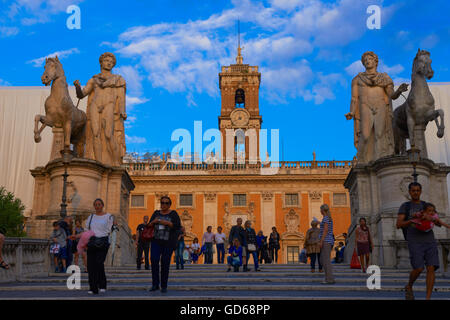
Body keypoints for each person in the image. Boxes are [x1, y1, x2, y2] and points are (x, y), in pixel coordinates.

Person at [345, 51, 408, 163]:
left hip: (380, 105)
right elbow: (354, 98)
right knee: (365, 135)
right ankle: (364, 161)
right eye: (365, 61)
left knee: (380, 134)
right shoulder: (357, 79)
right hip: (365, 106)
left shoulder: (384, 78)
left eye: (369, 59)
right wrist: (352, 112)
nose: (367, 61)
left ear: (375, 61)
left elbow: (391, 95)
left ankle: (379, 163)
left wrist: (399, 91)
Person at [397, 183, 449, 300]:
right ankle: (409, 285)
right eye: (413, 190)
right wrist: (412, 221)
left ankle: (428, 298)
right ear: (409, 192)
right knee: (419, 268)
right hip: (414, 240)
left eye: (418, 190)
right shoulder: (405, 206)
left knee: (431, 268)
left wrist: (434, 221)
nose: (416, 192)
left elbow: (437, 223)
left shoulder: (427, 205)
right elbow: (399, 224)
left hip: (429, 240)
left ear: (421, 191)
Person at [74, 52, 127, 166]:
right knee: (95, 134)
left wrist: (122, 111)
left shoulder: (118, 79)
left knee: (108, 134)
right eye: (107, 61)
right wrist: (77, 87)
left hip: (109, 105)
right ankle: (98, 165)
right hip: (95, 105)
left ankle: (116, 161)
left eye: (111, 62)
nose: (109, 63)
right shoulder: (94, 79)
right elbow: (82, 94)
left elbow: (121, 97)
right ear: (101, 62)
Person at [70, 198, 116, 294]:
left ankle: (102, 285)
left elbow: (111, 230)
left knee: (99, 263)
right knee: (91, 266)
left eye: (99, 204)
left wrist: (114, 225)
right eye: (96, 204)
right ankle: (93, 288)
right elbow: (86, 231)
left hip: (103, 241)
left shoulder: (109, 216)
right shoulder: (91, 217)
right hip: (92, 241)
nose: (97, 206)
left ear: (102, 205)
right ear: (94, 206)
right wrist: (76, 236)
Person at [148, 196, 181, 293]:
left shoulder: (173, 214)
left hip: (168, 243)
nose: (164, 205)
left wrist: (167, 223)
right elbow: (149, 225)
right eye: (162, 203)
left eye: (166, 203)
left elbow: (177, 226)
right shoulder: (156, 213)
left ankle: (163, 286)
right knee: (154, 260)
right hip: (156, 241)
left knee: (165, 263)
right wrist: (154, 221)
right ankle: (155, 284)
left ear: (169, 204)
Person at [319, 204, 335, 284]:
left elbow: (325, 230)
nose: (320, 211)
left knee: (326, 260)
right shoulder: (327, 218)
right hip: (328, 240)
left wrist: (321, 241)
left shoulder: (325, 218)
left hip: (326, 241)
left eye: (320, 209)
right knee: (323, 260)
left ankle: (329, 279)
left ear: (322, 210)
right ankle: (328, 277)